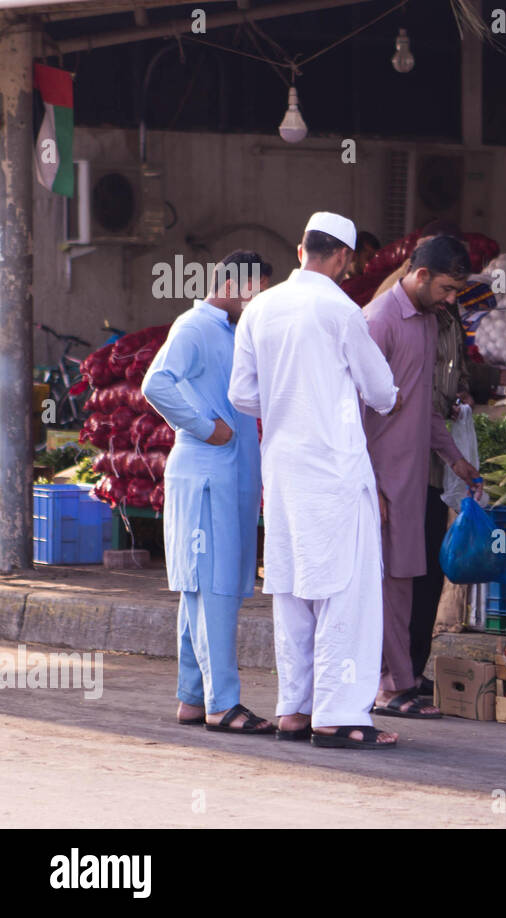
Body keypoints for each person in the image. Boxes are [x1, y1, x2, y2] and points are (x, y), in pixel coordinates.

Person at [228, 211, 403, 751]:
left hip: (282, 472)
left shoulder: (260, 308)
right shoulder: (341, 310)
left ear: (300, 248)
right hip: (334, 472)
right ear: (345, 259)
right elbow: (383, 392)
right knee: (344, 594)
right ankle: (339, 716)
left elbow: (241, 396)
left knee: (292, 591)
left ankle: (294, 710)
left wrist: (286, 404)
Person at [143, 250, 273, 736]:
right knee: (212, 586)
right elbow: (155, 383)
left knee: (206, 588)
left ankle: (193, 699)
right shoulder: (195, 327)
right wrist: (203, 427)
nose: (256, 300)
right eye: (253, 289)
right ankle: (224, 704)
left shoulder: (234, 332)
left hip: (229, 476)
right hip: (204, 474)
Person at [363, 236, 479, 717]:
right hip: (382, 479)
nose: (452, 300)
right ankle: (389, 688)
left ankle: (399, 681)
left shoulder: (429, 322)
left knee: (406, 580)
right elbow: (355, 411)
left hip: (415, 478)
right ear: (422, 274)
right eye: (449, 288)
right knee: (388, 584)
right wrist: (369, 485)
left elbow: (424, 405)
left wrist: (454, 458)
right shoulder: (378, 321)